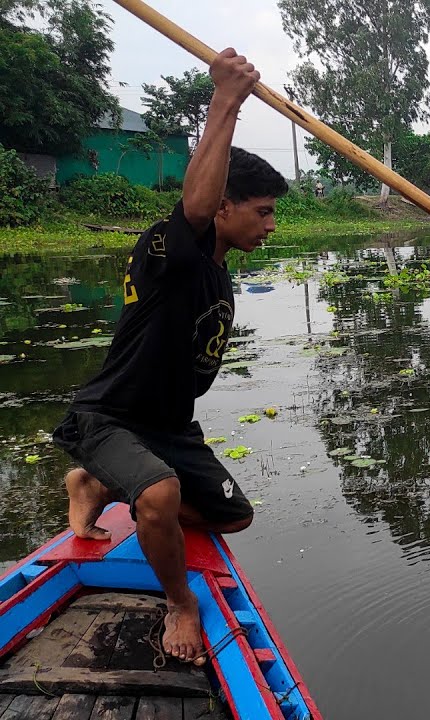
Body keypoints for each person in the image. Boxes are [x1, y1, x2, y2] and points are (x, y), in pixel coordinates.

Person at [50, 47, 286, 666]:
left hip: (172, 427)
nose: (270, 226)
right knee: (157, 495)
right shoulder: (171, 249)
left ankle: (98, 483)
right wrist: (225, 101)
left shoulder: (219, 274)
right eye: (262, 212)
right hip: (112, 417)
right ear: (225, 207)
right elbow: (196, 207)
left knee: (234, 517)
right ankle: (179, 600)